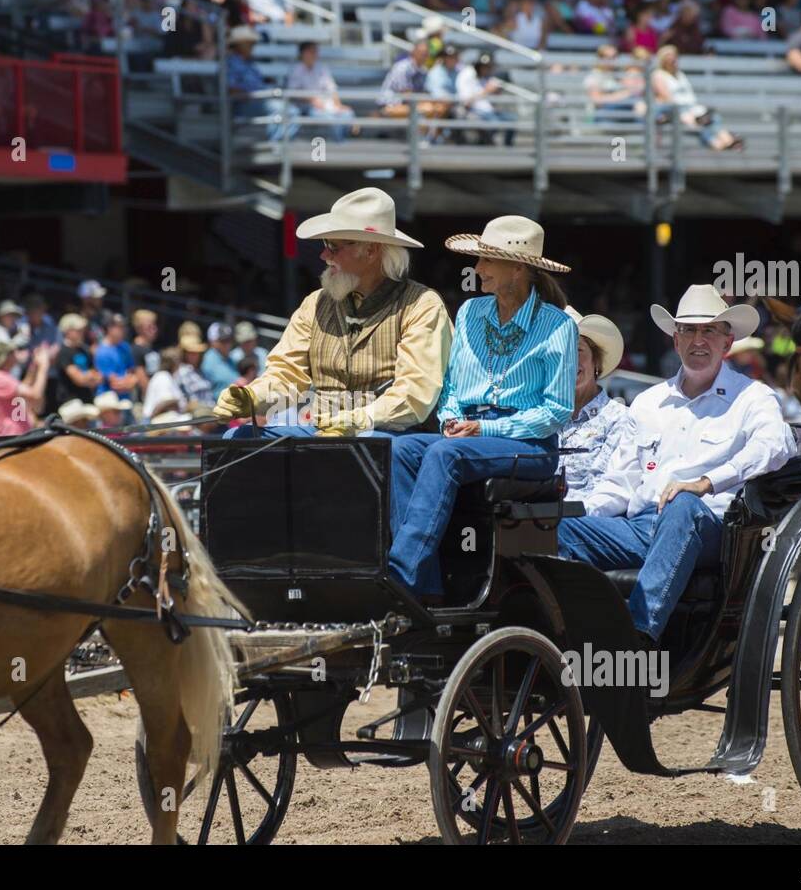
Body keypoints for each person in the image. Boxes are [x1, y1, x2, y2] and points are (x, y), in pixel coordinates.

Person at [557, 285, 796, 643]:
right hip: (642, 527)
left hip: (713, 529)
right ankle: (562, 639)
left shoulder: (754, 397)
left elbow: (774, 446)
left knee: (684, 507)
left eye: (708, 330)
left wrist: (706, 482)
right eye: (687, 330)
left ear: (727, 343)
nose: (697, 340)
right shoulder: (647, 402)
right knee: (554, 530)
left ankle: (637, 638)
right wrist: (578, 512)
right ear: (675, 340)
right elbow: (620, 483)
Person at [387, 216, 577, 601]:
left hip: (532, 446)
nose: (478, 270)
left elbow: (555, 413)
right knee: (399, 449)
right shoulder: (471, 312)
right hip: (468, 435)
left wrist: (484, 430)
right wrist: (452, 418)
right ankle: (426, 589)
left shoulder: (559, 326)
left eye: (487, 261)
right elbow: (453, 386)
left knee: (444, 453)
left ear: (518, 268)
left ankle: (400, 575)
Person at [212, 187, 452, 438]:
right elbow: (287, 373)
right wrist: (252, 397)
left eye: (333, 246)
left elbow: (414, 394)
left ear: (371, 250)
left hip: (392, 433)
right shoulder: (314, 304)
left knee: (366, 446)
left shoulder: (422, 305)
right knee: (237, 438)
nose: (324, 255)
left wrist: (357, 420)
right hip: (322, 431)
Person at [559, 306, 631, 502]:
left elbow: (608, 488)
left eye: (578, 349)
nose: (568, 360)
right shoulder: (539, 418)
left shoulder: (618, 418)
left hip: (588, 522)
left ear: (596, 361)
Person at [652, 45, 744, 151]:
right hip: (673, 109)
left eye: (674, 56)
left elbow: (690, 95)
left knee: (712, 117)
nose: (672, 59)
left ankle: (721, 142)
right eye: (669, 56)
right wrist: (688, 110)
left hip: (690, 107)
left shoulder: (680, 74)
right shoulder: (658, 74)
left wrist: (694, 108)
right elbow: (667, 97)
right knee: (698, 120)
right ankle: (725, 141)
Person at [226, 24, 299, 141]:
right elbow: (232, 90)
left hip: (259, 100)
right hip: (244, 104)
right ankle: (277, 144)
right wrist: (255, 95)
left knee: (291, 109)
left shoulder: (250, 63)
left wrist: (266, 86)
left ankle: (280, 144)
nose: (252, 46)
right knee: (283, 109)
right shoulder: (231, 63)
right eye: (249, 43)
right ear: (239, 45)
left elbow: (257, 83)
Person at [286, 41, 355, 141]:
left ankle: (341, 143)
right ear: (304, 53)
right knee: (329, 118)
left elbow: (332, 88)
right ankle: (339, 144)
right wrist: (312, 100)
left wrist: (338, 104)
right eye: (312, 51)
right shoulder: (296, 70)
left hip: (324, 104)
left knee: (347, 114)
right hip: (306, 106)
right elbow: (293, 93)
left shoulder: (322, 68)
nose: (315, 54)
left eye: (316, 51)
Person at [0, 340, 53, 436]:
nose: (16, 354)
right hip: (12, 437)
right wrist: (44, 367)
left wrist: (35, 365)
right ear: (6, 357)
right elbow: (35, 394)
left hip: (16, 436)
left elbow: (25, 384)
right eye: (12, 352)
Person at [456, 52, 516, 145]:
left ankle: (507, 149)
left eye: (488, 66)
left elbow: (489, 101)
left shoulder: (486, 77)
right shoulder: (467, 75)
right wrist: (486, 91)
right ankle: (484, 145)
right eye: (483, 66)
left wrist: (495, 92)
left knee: (511, 120)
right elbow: (466, 102)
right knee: (494, 123)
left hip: (489, 111)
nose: (486, 69)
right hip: (474, 111)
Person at [49, 312, 103, 413]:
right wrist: (89, 377)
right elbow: (79, 379)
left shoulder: (85, 349)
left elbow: (99, 377)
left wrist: (87, 377)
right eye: (78, 330)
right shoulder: (63, 352)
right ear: (67, 331)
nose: (82, 332)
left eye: (82, 330)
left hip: (88, 401)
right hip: (70, 405)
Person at [585, 44, 641, 122]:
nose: (612, 60)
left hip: (619, 111)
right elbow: (597, 100)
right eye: (607, 57)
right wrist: (622, 96)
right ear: (600, 58)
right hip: (601, 114)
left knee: (638, 101)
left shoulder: (616, 74)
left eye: (614, 57)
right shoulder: (595, 75)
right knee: (634, 101)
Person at [93, 311, 140, 400]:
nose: (123, 329)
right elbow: (115, 384)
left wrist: (132, 381)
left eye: (124, 326)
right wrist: (131, 383)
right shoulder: (102, 352)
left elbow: (132, 372)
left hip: (126, 399)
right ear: (110, 328)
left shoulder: (125, 347)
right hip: (109, 400)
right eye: (119, 327)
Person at [143, 346, 188, 421]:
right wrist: (179, 402)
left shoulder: (169, 377)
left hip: (164, 420)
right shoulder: (163, 377)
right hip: (155, 423)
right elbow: (163, 404)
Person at [201, 322, 239, 397]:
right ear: (214, 342)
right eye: (223, 341)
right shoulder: (209, 359)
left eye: (229, 340)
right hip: (216, 405)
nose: (228, 344)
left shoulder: (230, 359)